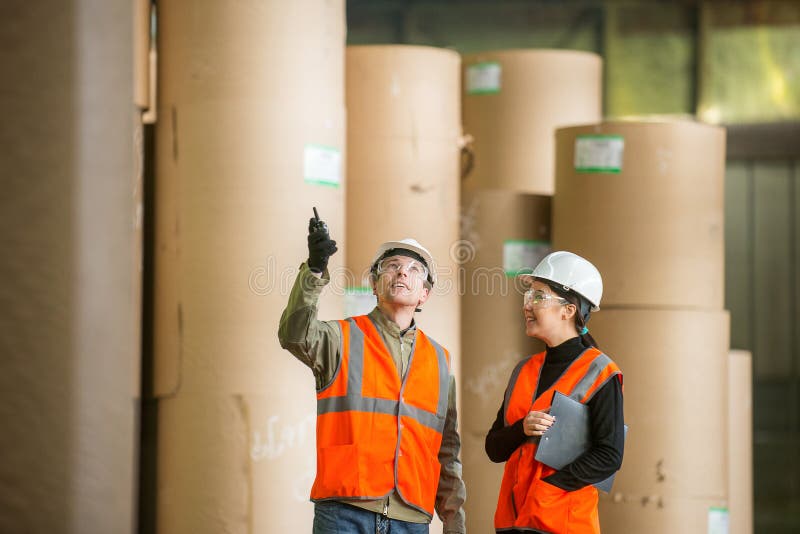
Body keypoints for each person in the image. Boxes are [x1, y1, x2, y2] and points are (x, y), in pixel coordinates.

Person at [278, 215, 466, 534]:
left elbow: (447, 451)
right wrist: (314, 270)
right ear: (375, 284)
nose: (402, 272)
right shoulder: (341, 338)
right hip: (344, 512)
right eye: (392, 265)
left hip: (411, 519)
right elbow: (293, 335)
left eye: (415, 269)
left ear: (424, 294)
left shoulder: (440, 361)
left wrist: (454, 521)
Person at [485, 251, 624, 534]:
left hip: (563, 525)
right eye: (528, 296)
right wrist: (522, 429)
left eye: (539, 297)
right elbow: (494, 448)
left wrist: (547, 488)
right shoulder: (523, 371)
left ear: (568, 310)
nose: (527, 305)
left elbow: (609, 456)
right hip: (513, 524)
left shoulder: (600, 372)